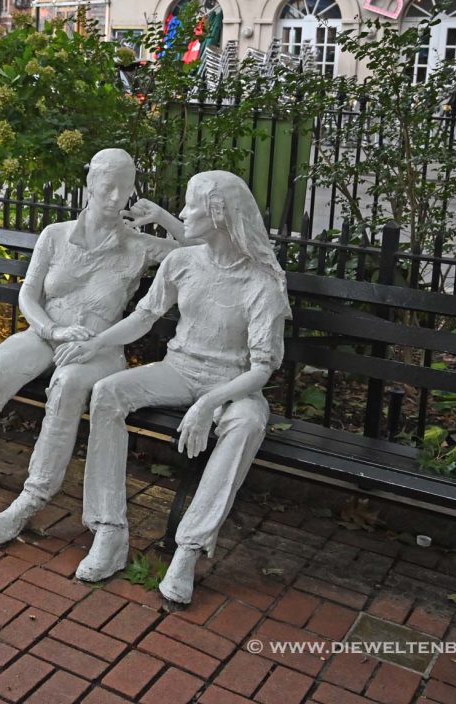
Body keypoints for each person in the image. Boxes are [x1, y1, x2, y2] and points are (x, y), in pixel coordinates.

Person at [58, 171, 289, 607]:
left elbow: (262, 369)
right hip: (179, 368)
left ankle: (188, 551)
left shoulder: (262, 285)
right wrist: (96, 342)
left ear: (219, 216)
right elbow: (143, 317)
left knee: (248, 423)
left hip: (233, 384)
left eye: (191, 207)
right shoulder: (182, 262)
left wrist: (209, 404)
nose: (182, 214)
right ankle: (109, 533)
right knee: (107, 393)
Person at [0, 149, 184, 547]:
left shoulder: (139, 246)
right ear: (89, 183)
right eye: (108, 185)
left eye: (126, 187)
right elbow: (28, 297)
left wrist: (166, 220)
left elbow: (202, 254)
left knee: (67, 387)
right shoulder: (55, 234)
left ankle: (30, 500)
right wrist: (53, 330)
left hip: (98, 347)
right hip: (47, 334)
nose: (117, 196)